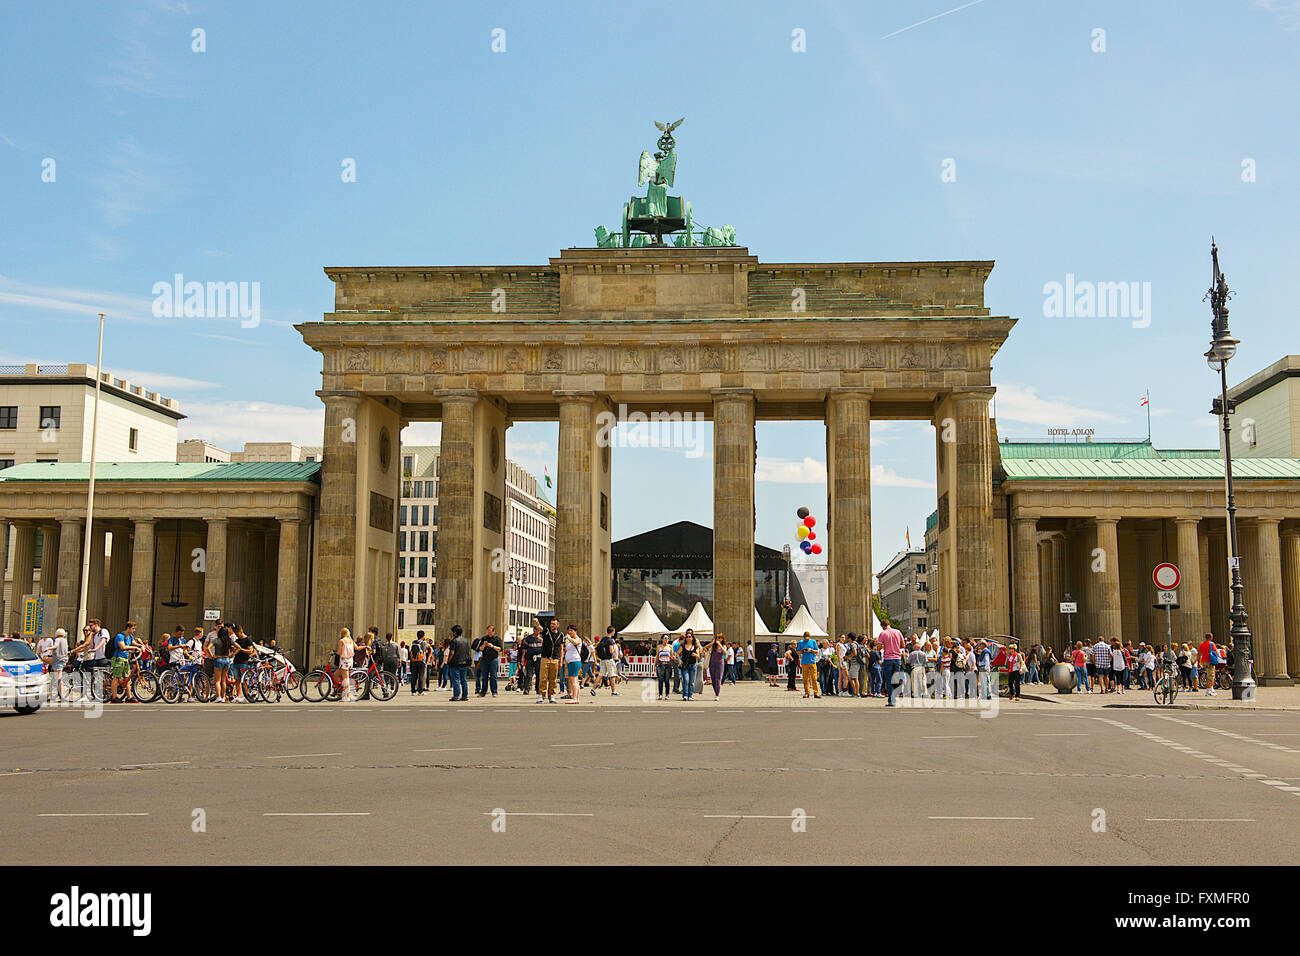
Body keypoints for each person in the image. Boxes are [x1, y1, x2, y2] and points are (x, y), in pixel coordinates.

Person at [109, 621, 140, 702]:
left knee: (127, 678)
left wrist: (142, 646)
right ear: (128, 628)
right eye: (133, 628)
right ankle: (114, 697)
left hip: (126, 659)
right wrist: (135, 648)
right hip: (118, 658)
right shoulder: (120, 636)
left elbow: (134, 643)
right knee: (116, 677)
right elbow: (122, 647)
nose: (134, 630)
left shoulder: (130, 637)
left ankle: (129, 697)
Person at [877, 621, 904, 706]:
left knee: (889, 680)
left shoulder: (883, 633)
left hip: (888, 658)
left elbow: (878, 647)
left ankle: (891, 700)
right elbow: (903, 645)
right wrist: (895, 646)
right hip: (897, 658)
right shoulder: (898, 632)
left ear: (883, 626)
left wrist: (885, 646)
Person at [538, 620, 562, 703]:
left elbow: (561, 649)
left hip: (555, 659)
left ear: (557, 625)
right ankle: (541, 695)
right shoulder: (546, 632)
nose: (552, 625)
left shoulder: (561, 635)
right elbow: (540, 628)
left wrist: (561, 661)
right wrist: (537, 623)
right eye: (551, 624)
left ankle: (552, 695)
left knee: (553, 679)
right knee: (543, 678)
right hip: (545, 658)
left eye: (554, 624)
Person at [476, 625, 502, 697]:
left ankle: (494, 691)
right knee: (484, 676)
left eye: (490, 631)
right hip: (484, 659)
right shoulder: (484, 638)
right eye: (488, 631)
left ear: (493, 631)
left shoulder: (497, 639)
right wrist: (484, 645)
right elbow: (480, 649)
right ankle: (483, 692)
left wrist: (492, 646)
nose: (489, 633)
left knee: (493, 676)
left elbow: (500, 649)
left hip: (493, 659)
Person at [447, 625, 471, 701]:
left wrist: (448, 660)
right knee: (463, 680)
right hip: (464, 662)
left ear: (455, 632)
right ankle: (465, 695)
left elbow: (452, 652)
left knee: (456, 680)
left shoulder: (454, 641)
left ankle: (456, 695)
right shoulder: (465, 640)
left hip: (455, 663)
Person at [595, 626, 619, 696]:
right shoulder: (610, 640)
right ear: (612, 631)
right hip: (609, 659)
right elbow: (611, 651)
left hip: (602, 659)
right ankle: (613, 691)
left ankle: (593, 689)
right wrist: (614, 646)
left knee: (600, 674)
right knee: (612, 675)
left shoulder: (603, 639)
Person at [562, 625, 584, 703]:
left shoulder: (578, 639)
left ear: (575, 631)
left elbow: (575, 642)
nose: (569, 632)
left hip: (574, 661)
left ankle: (574, 698)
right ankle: (576, 698)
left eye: (571, 630)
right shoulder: (569, 641)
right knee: (575, 680)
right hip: (570, 661)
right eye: (568, 630)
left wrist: (568, 638)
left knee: (573, 680)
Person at [335, 627, 357, 701]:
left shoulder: (342, 641)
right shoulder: (351, 641)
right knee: (335, 674)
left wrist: (334, 652)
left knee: (346, 679)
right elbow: (356, 648)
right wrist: (365, 646)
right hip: (350, 660)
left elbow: (340, 652)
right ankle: (340, 689)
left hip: (345, 661)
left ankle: (347, 697)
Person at [676, 632, 700, 700]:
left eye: (689, 637)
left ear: (692, 638)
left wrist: (695, 655)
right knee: (686, 680)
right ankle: (685, 695)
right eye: (687, 637)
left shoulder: (695, 646)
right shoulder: (683, 645)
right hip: (685, 665)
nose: (688, 638)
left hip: (693, 665)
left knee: (691, 682)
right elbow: (677, 654)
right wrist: (679, 661)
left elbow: (698, 656)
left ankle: (690, 695)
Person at [797, 631, 820, 700]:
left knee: (814, 678)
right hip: (804, 662)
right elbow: (798, 652)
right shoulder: (801, 642)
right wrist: (802, 651)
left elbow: (817, 651)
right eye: (805, 638)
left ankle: (816, 693)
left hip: (812, 661)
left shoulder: (813, 642)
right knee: (805, 679)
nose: (807, 639)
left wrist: (811, 650)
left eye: (808, 638)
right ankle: (807, 692)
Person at [705, 632, 728, 699]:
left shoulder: (723, 646)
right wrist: (713, 643)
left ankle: (717, 694)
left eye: (719, 638)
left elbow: (725, 652)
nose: (717, 639)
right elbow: (705, 647)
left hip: (719, 664)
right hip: (712, 663)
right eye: (716, 637)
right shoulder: (713, 646)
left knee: (718, 679)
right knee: (713, 679)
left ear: (722, 639)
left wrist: (719, 645)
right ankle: (716, 691)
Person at [1198, 633, 1219, 697]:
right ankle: (1208, 691)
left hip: (1204, 661)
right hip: (1210, 661)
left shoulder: (1202, 644)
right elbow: (1216, 652)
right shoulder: (1211, 644)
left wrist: (1198, 662)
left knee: (1208, 675)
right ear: (1210, 637)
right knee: (1211, 676)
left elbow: (1199, 654)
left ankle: (1211, 689)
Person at [655, 635, 674, 700]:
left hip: (667, 664)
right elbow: (657, 656)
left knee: (667, 680)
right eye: (665, 638)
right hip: (660, 664)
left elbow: (672, 656)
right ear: (662, 639)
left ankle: (667, 694)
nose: (666, 639)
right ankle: (660, 694)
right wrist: (655, 665)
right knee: (660, 680)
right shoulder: (659, 647)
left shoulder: (670, 646)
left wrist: (674, 659)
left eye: (668, 638)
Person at [409, 631, 428, 695]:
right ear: (423, 636)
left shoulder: (414, 642)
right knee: (421, 676)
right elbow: (425, 650)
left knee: (414, 676)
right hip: (421, 661)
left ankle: (413, 691)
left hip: (414, 660)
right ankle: (420, 691)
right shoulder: (424, 642)